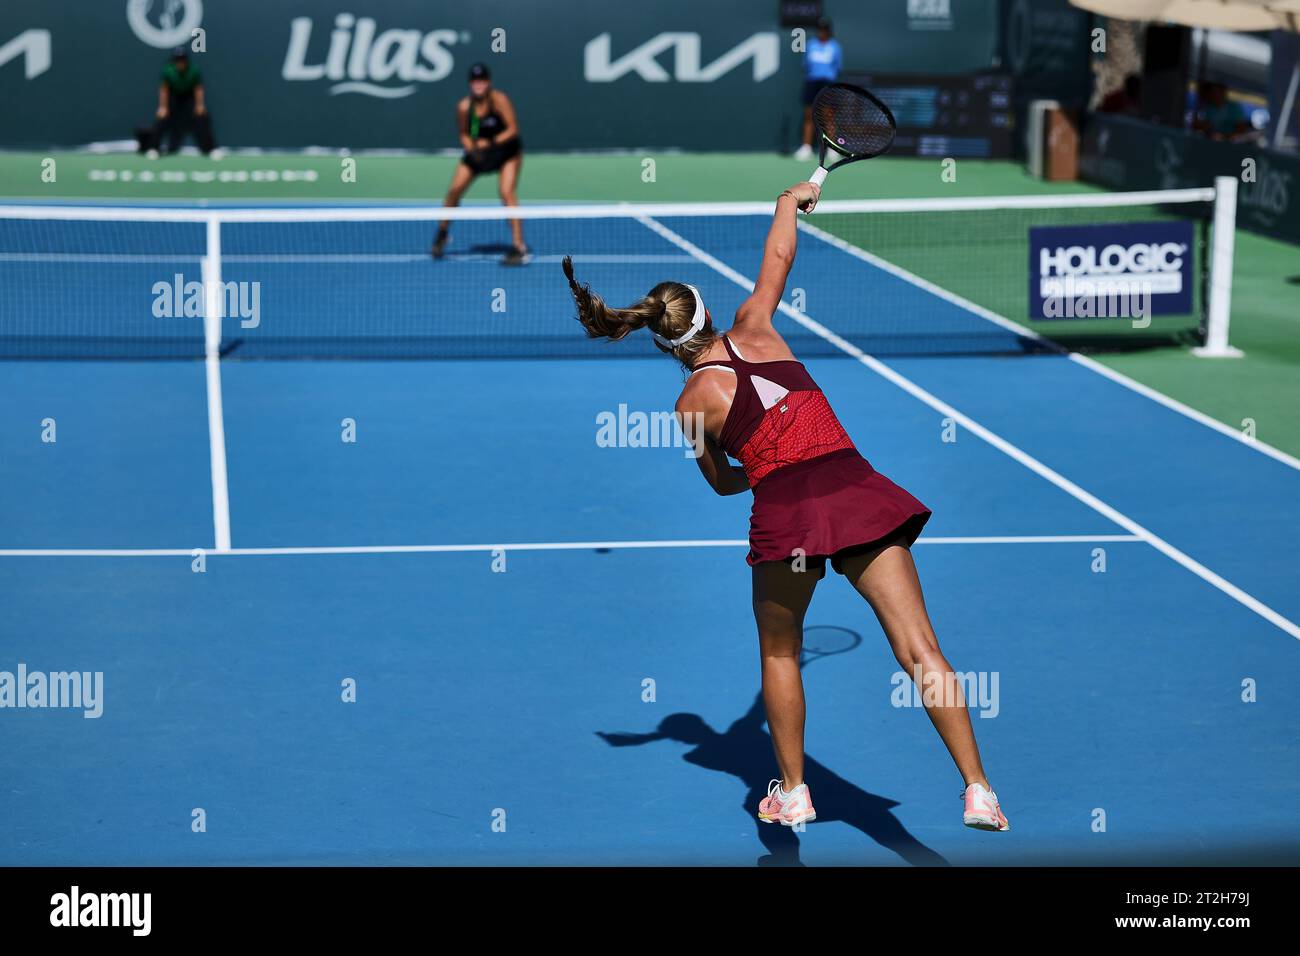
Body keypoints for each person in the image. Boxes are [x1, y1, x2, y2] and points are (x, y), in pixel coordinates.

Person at [562, 181, 1010, 833]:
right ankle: (978, 789)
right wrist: (786, 202)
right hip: (857, 493)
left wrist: (765, 472)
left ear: (661, 342)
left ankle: (795, 791)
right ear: (706, 312)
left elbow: (721, 483)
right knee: (921, 650)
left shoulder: (690, 404)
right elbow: (778, 258)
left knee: (780, 652)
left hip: (787, 516)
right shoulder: (757, 323)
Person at [432, 63, 528, 265]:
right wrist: (472, 149)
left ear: (488, 82)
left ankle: (519, 246)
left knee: (506, 192)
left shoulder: (499, 100)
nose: (479, 84)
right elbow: (464, 134)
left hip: (506, 152)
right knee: (455, 189)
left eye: (482, 80)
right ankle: (442, 233)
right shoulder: (464, 107)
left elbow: (513, 130)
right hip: (480, 154)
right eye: (475, 80)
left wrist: (489, 143)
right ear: (470, 83)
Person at [153, 47, 218, 157]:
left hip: (189, 98)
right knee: (161, 119)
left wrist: (200, 105)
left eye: (182, 60)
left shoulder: (194, 70)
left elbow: (198, 88)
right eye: (178, 60)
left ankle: (210, 149)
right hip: (173, 98)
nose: (180, 63)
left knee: (202, 118)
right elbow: (164, 89)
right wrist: (163, 107)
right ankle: (154, 148)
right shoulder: (168, 70)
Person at [794, 18, 842, 162]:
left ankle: (832, 149)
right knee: (809, 115)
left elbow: (837, 67)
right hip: (812, 83)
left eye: (825, 29)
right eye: (820, 29)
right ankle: (806, 147)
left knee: (828, 117)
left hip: (827, 83)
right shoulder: (810, 45)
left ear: (829, 31)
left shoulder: (835, 47)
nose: (822, 32)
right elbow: (806, 65)